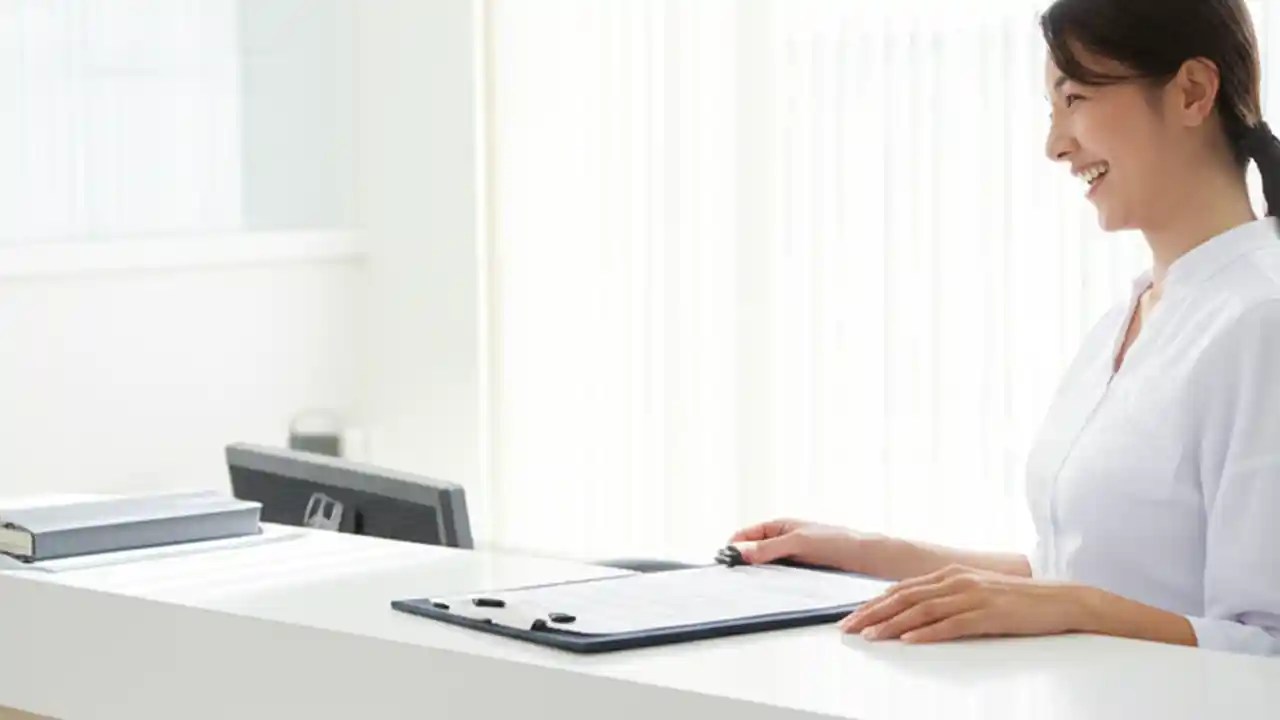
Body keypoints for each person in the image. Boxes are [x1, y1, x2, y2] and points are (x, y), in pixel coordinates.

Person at [730, 0, 1280, 657]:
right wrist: (864, 553)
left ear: (1192, 91)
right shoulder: (1134, 315)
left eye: (1074, 97)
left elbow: (1264, 645)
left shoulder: (1261, 321)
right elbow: (1073, 580)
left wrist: (1071, 604)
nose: (1056, 144)